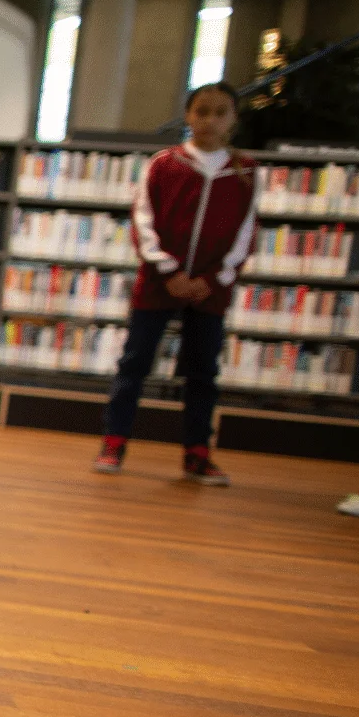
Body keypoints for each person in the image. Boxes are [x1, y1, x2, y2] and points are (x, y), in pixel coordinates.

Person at [93, 83, 256, 485]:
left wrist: (214, 277)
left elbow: (246, 230)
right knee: (135, 363)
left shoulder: (245, 172)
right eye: (201, 112)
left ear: (233, 119)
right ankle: (114, 442)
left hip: (209, 288)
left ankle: (197, 454)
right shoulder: (165, 164)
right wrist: (169, 270)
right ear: (188, 116)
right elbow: (143, 219)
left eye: (220, 113)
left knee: (203, 372)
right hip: (159, 283)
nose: (210, 121)